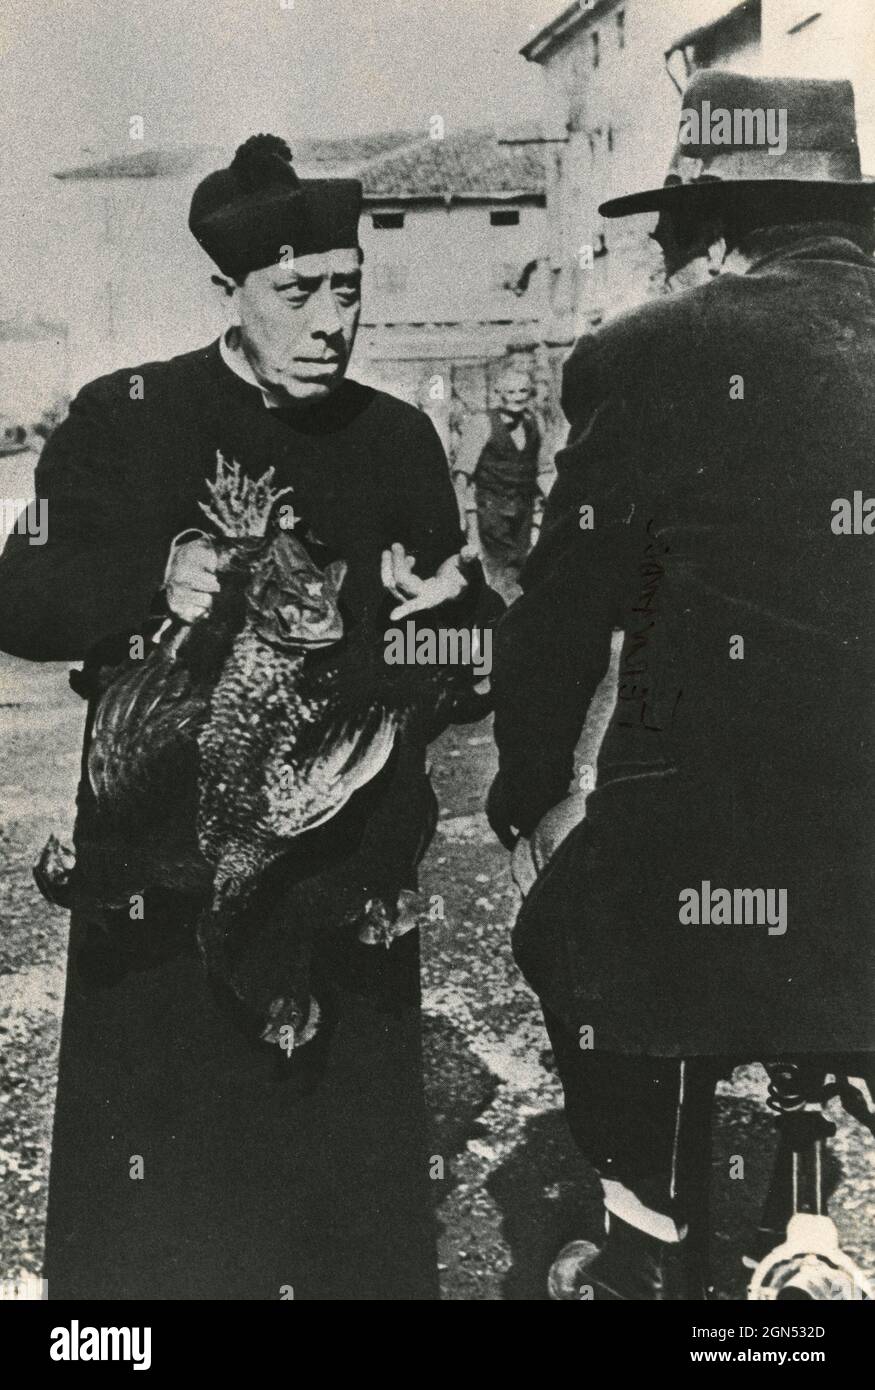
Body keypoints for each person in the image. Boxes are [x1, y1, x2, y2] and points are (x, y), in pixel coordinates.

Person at [0, 133, 481, 1301]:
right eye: (297, 291)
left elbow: (466, 651)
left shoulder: (396, 437)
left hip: (343, 861)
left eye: (349, 290)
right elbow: (23, 595)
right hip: (164, 866)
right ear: (228, 289)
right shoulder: (128, 416)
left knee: (343, 1189)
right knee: (156, 1202)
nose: (331, 321)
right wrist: (148, 578)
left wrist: (451, 619)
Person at [488, 72, 875, 1300]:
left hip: (705, 824)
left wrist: (531, 786)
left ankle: (646, 1224)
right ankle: (806, 1198)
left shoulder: (654, 353)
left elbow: (560, 611)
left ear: (711, 229)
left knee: (568, 931)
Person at [452, 367, 545, 603]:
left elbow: (541, 468)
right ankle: (500, 620)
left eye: (523, 390)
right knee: (498, 567)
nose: (517, 396)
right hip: (491, 509)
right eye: (511, 391)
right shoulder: (482, 423)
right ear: (498, 393)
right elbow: (462, 474)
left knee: (520, 563)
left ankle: (512, 617)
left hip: (522, 508)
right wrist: (462, 516)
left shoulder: (534, 422)